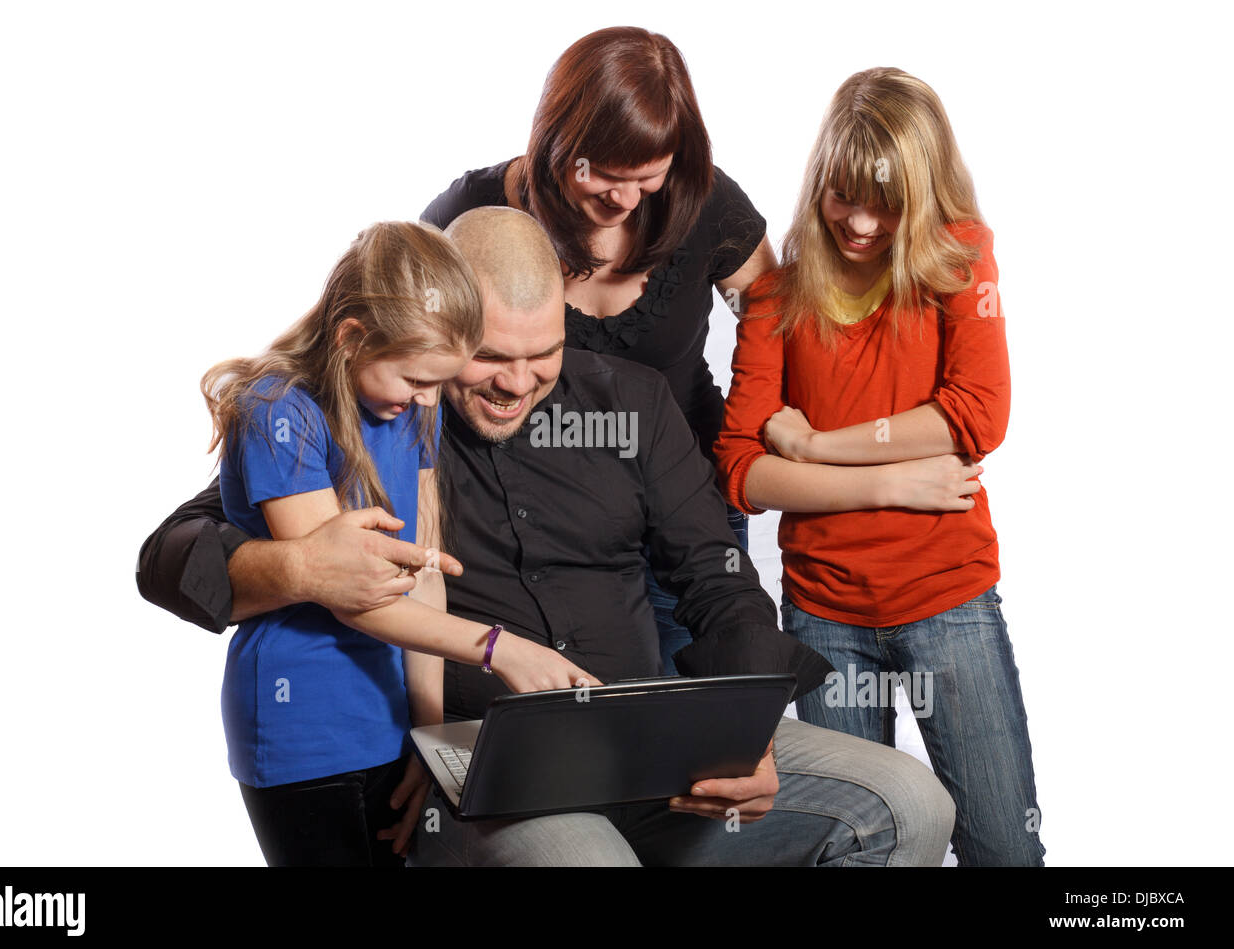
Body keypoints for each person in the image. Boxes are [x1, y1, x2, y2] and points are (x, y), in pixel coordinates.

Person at [140, 206, 957, 866]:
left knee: (912, 805)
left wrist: (741, 734)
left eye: (544, 355)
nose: (516, 382)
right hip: (498, 768)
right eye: (489, 357)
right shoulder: (381, 413)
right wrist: (298, 567)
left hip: (651, 741)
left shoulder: (630, 405)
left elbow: (716, 574)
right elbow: (173, 552)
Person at [714, 68, 1043, 866]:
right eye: (841, 196)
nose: (859, 223)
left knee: (1004, 847)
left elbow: (977, 416)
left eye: (886, 203)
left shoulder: (962, 258)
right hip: (825, 612)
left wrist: (820, 444)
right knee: (852, 844)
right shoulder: (779, 297)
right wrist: (888, 480)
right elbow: (742, 469)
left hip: (948, 599)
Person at [198, 221, 595, 867]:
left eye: (440, 382)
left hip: (383, 714)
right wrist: (499, 647)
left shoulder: (415, 411)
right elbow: (348, 592)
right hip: (302, 726)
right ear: (353, 337)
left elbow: (427, 574)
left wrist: (430, 734)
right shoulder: (279, 410)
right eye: (415, 379)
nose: (430, 399)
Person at [421, 26, 775, 675]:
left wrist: (766, 433)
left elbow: (773, 321)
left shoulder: (705, 202)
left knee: (694, 722)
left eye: (648, 178)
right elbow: (401, 338)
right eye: (607, 177)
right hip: (555, 514)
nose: (625, 199)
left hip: (687, 501)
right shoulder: (472, 213)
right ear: (558, 143)